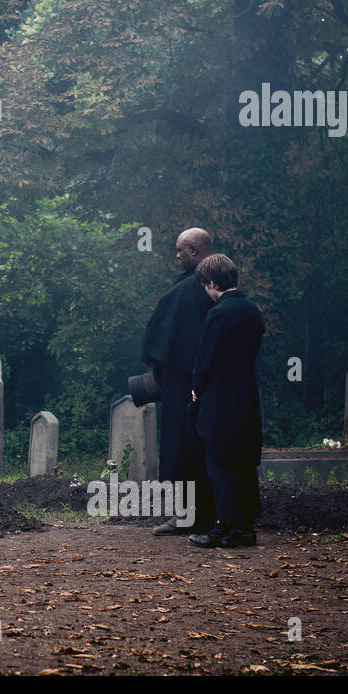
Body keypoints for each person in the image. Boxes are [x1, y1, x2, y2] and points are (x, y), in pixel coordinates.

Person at [141, 227, 216, 535]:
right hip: (202, 382)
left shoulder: (189, 290)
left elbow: (163, 339)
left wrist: (157, 365)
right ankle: (200, 514)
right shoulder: (208, 285)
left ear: (195, 251)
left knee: (183, 447)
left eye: (181, 250)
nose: (177, 255)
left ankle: (187, 516)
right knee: (197, 447)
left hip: (183, 384)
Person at [189, 254, 265, 549]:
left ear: (211, 282)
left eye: (204, 285)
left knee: (219, 461)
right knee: (243, 462)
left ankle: (224, 526)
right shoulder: (252, 311)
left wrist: (196, 389)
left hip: (220, 396)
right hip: (246, 393)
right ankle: (245, 528)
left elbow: (205, 359)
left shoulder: (219, 313)